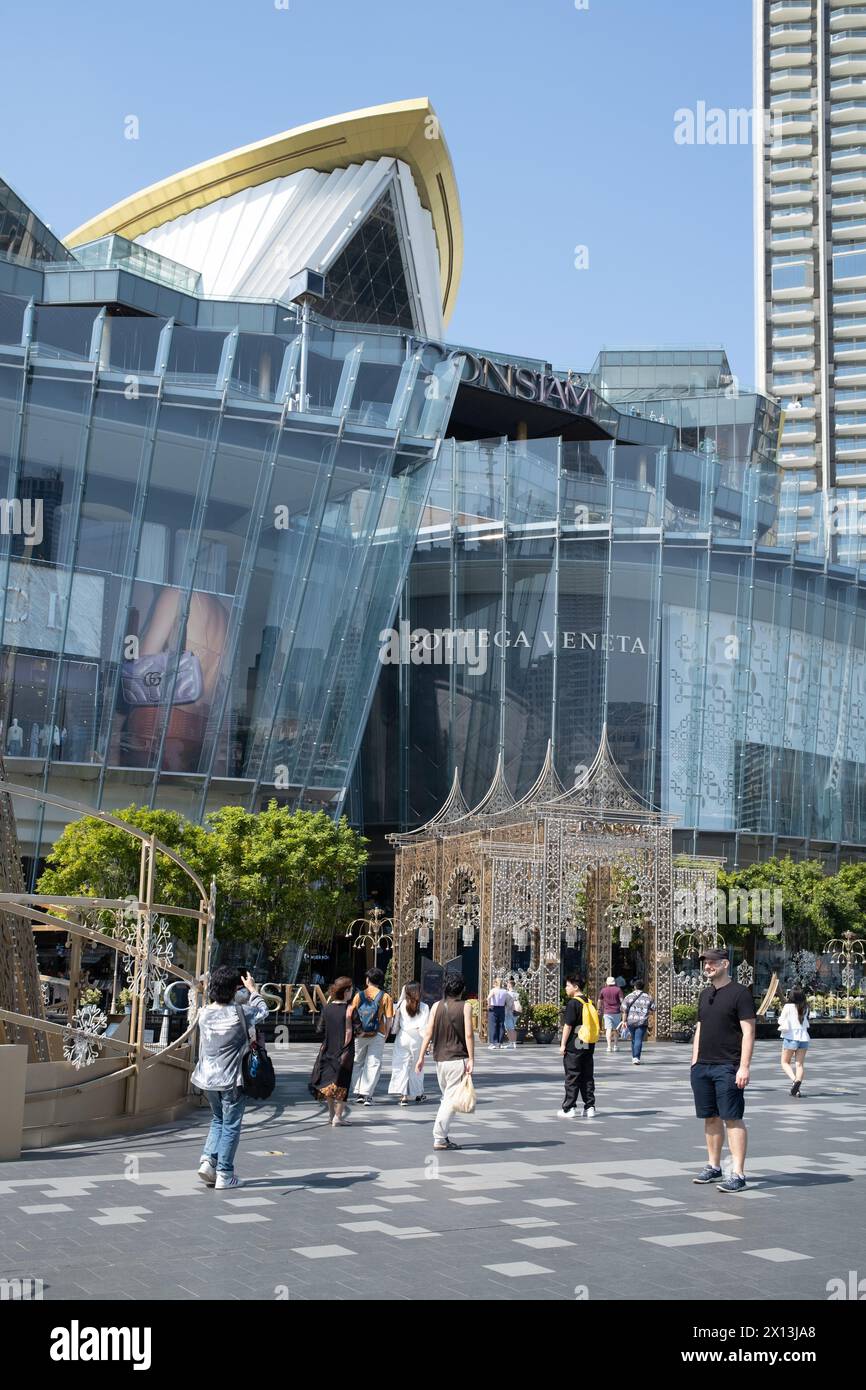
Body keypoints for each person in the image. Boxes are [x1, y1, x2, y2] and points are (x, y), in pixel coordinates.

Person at [191, 965, 269, 1190]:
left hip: (206, 1077)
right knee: (231, 1125)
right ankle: (225, 1173)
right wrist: (253, 990)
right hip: (231, 1078)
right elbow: (264, 1010)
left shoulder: (204, 1012)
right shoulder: (241, 1012)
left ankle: (208, 1160)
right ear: (235, 989)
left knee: (218, 1119)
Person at [690, 948, 756, 1194]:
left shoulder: (740, 994)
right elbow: (700, 1027)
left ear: (725, 964)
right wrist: (695, 1060)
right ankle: (713, 1165)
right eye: (705, 962)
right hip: (703, 1066)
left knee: (732, 1117)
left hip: (728, 1066)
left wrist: (744, 1067)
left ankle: (738, 1173)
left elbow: (749, 1033)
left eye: (712, 962)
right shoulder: (705, 994)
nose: (707, 966)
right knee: (710, 1117)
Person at [416, 972, 474, 1151]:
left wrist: (420, 1057)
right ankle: (439, 1137)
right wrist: (472, 1058)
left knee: (446, 1096)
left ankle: (443, 1135)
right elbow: (469, 1034)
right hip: (457, 1058)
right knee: (450, 1099)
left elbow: (428, 1032)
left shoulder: (436, 1006)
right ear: (462, 989)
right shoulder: (466, 1007)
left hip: (440, 1059)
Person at [310, 977, 356, 1125]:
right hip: (345, 1052)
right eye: (351, 989)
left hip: (328, 1049)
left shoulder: (327, 1008)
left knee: (329, 1082)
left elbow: (319, 1030)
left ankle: (331, 1115)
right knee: (343, 1083)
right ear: (346, 991)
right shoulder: (350, 1009)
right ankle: (338, 1117)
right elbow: (360, 1030)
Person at [350, 967, 394, 1105]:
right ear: (380, 981)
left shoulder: (359, 995)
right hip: (377, 1033)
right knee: (373, 1064)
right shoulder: (385, 996)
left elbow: (352, 1014)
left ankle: (358, 1092)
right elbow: (389, 1018)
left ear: (367, 980)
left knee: (357, 1062)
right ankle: (367, 1094)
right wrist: (386, 1034)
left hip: (360, 1034)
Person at [557, 974, 596, 1119]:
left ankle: (569, 1108)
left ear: (576, 987)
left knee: (572, 1076)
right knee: (587, 1075)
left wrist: (562, 1044)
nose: (566, 988)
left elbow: (568, 1026)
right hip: (588, 1044)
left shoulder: (573, 1003)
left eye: (567, 985)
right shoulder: (589, 1002)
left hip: (575, 1044)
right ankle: (590, 1106)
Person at [388, 982, 429, 1104]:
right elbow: (424, 1027)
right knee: (417, 1067)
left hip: (403, 1037)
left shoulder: (401, 1004)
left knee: (401, 1066)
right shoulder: (424, 1007)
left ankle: (403, 1096)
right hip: (418, 1038)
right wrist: (428, 1042)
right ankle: (417, 1093)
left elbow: (396, 1023)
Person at [778, 986, 810, 1097]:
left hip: (791, 1037)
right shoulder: (806, 1007)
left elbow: (781, 1020)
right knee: (799, 1065)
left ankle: (795, 1080)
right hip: (804, 1038)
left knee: (784, 1062)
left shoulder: (788, 1007)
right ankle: (797, 1088)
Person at [620, 980, 656, 1064]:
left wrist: (624, 1021)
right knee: (638, 1039)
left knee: (633, 1039)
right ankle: (636, 1057)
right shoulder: (648, 997)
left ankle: (634, 1056)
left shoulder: (629, 996)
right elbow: (653, 1008)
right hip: (642, 1021)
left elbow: (624, 1010)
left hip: (631, 1021)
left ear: (634, 987)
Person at [597, 976, 624, 1053]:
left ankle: (609, 1046)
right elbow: (622, 1001)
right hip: (617, 1012)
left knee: (608, 1029)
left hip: (607, 1012)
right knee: (616, 1029)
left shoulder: (603, 990)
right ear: (614, 982)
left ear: (607, 983)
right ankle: (615, 1045)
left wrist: (598, 1009)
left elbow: (599, 1001)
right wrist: (624, 1010)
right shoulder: (618, 989)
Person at [487, 977, 509, 1050]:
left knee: (493, 1025)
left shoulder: (493, 990)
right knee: (501, 1025)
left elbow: (488, 998)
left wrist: (489, 1004)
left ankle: (493, 1043)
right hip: (501, 1008)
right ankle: (500, 1043)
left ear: (495, 983)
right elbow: (507, 1001)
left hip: (494, 1008)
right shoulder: (505, 991)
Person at [503, 977, 520, 1050]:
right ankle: (513, 1043)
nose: (506, 985)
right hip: (516, 1012)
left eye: (507, 984)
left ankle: (512, 1042)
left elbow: (506, 1004)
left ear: (509, 985)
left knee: (510, 1028)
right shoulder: (517, 994)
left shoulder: (507, 994)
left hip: (508, 1012)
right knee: (513, 1027)